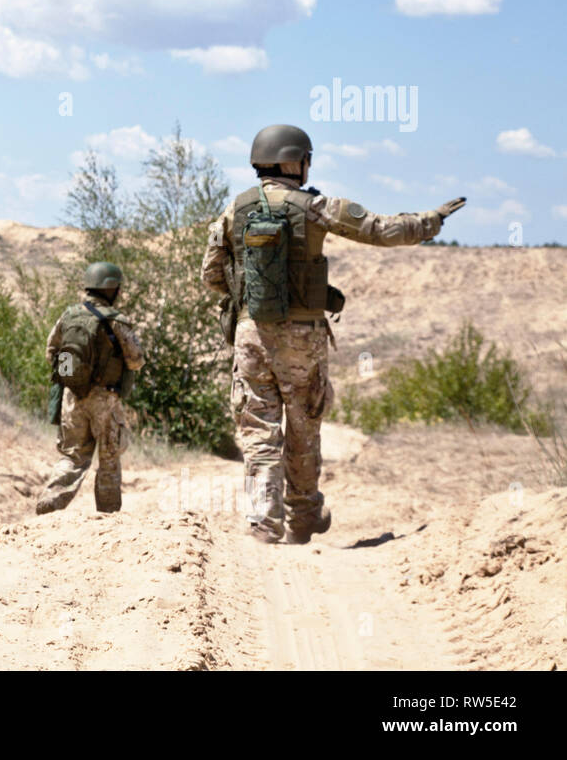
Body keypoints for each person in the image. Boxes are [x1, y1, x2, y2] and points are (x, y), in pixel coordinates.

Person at [200, 124, 465, 544]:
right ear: (294, 161)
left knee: (258, 432)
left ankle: (263, 524)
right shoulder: (315, 207)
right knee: (304, 428)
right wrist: (430, 221)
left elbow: (212, 274)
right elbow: (381, 230)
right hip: (303, 337)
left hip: (251, 334)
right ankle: (302, 516)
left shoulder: (235, 210)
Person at [36, 262, 145, 515]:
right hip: (104, 398)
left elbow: (50, 351)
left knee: (72, 457)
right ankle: (108, 516)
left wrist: (78, 377)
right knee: (109, 458)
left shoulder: (69, 315)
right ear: (111, 289)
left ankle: (51, 501)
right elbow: (136, 359)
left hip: (71, 396)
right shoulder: (116, 321)